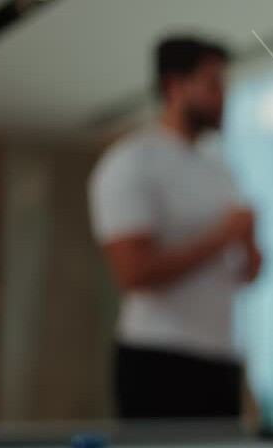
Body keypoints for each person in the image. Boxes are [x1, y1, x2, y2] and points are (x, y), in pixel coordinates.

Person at [89, 35, 261, 421]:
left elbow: (246, 272)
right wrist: (222, 236)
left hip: (220, 358)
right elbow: (133, 272)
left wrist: (248, 243)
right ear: (174, 86)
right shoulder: (131, 162)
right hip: (157, 359)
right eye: (213, 83)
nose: (223, 96)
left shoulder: (221, 170)